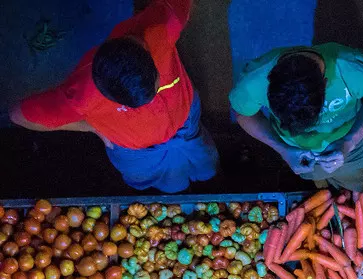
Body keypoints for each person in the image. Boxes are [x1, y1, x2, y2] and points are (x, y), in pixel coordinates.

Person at [9, 0, 217, 193]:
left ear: (146, 50)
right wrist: (89, 127)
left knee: (205, 165)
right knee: (160, 182)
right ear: (103, 90)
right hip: (138, 153)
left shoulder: (161, 27)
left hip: (186, 125)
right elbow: (19, 115)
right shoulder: (80, 95)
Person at [229, 43, 363, 190]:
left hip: (355, 138)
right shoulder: (253, 82)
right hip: (299, 151)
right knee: (326, 179)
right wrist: (284, 150)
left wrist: (350, 141)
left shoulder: (351, 69)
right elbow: (243, 114)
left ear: (326, 84)